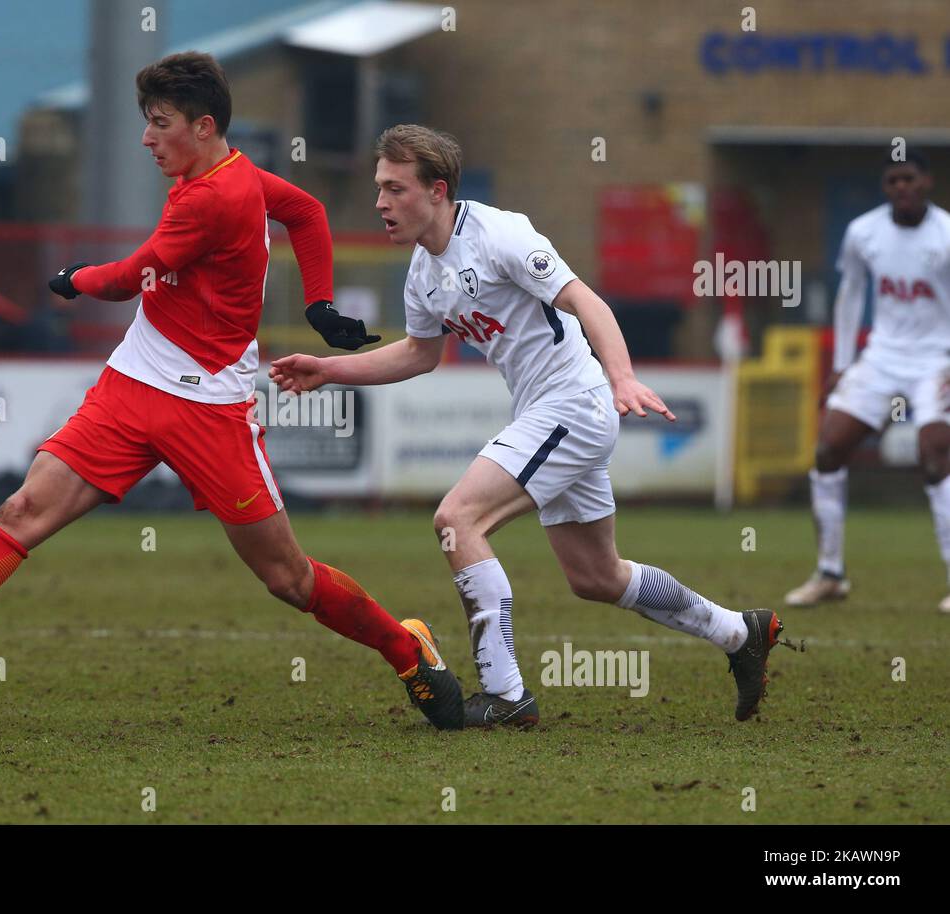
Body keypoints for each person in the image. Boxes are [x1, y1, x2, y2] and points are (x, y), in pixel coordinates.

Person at [0, 54, 465, 730]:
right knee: (22, 511)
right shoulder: (225, 175)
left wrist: (74, 276)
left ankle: (405, 648)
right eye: (147, 123)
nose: (147, 139)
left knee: (288, 579)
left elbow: (128, 277)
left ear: (204, 125)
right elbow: (304, 210)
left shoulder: (214, 197)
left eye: (160, 124)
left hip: (210, 406)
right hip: (133, 383)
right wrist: (321, 305)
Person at [270, 124, 799, 727]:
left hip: (572, 404)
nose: (380, 203)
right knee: (596, 576)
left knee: (457, 519)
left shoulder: (500, 233)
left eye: (394, 189)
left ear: (437, 190)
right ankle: (740, 632)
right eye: (378, 188)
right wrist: (330, 369)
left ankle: (504, 693)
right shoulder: (422, 271)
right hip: (546, 412)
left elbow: (587, 301)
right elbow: (420, 354)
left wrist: (621, 378)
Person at [784, 151, 950, 614]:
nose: (901, 187)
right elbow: (851, 293)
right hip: (881, 357)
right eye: (893, 180)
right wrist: (841, 362)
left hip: (937, 359)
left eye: (909, 178)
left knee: (935, 456)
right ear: (885, 186)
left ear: (926, 182)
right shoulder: (864, 232)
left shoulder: (947, 234)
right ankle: (830, 573)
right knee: (827, 449)